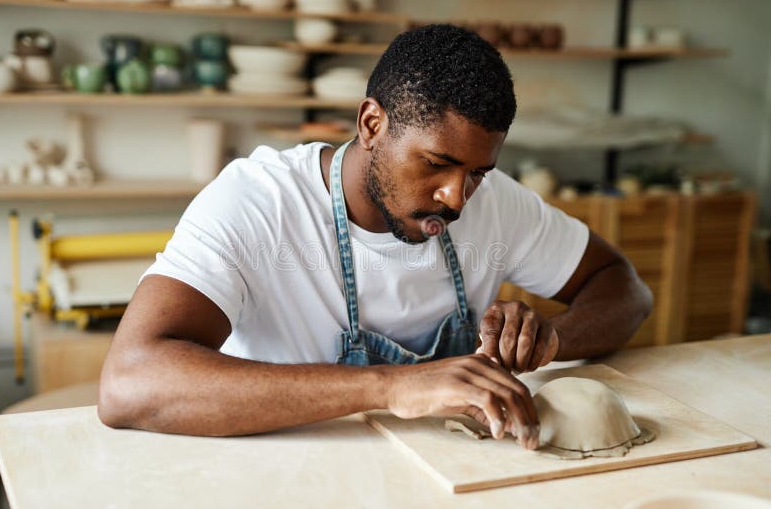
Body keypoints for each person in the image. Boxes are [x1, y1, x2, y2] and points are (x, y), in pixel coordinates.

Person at [98, 24, 652, 450]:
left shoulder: (497, 201)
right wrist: (393, 387)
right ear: (371, 125)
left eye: (477, 173)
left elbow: (624, 287)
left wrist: (553, 339)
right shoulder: (258, 202)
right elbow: (129, 383)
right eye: (436, 163)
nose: (457, 197)